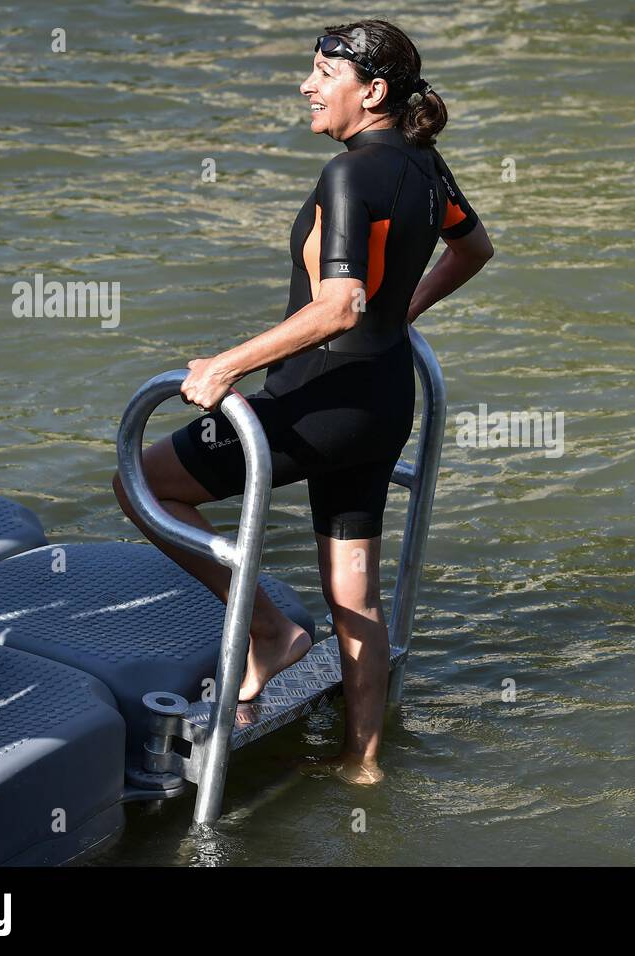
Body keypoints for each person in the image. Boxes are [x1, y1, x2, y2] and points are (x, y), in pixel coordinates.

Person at [112, 18, 494, 784]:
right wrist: (403, 314)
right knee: (354, 592)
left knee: (141, 481)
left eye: (323, 73)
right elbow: (471, 249)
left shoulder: (350, 176)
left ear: (372, 91)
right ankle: (363, 763)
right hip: (382, 402)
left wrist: (226, 364)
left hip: (318, 403)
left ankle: (268, 631)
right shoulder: (422, 164)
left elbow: (341, 303)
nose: (307, 86)